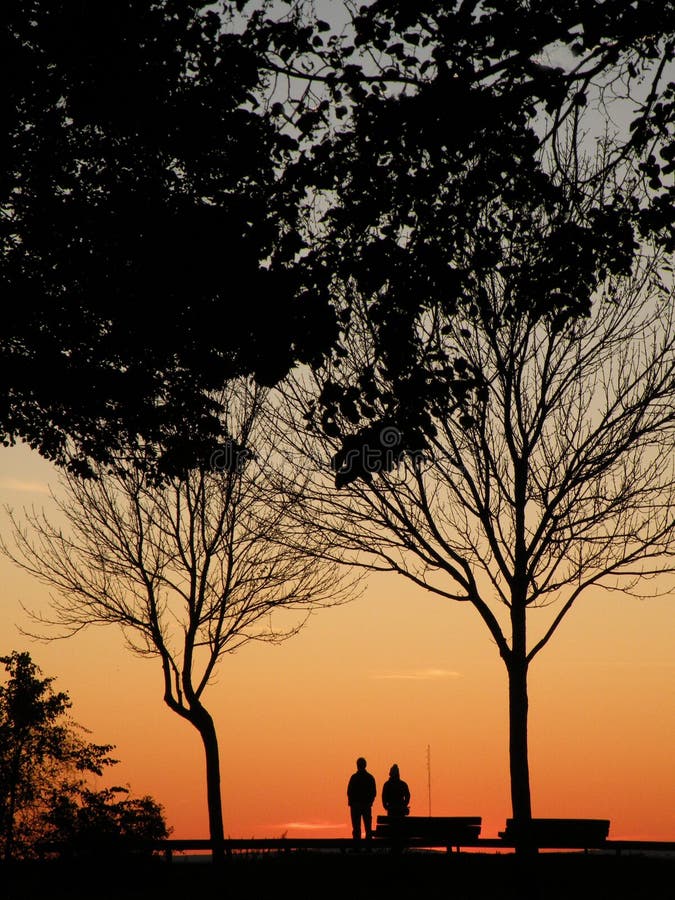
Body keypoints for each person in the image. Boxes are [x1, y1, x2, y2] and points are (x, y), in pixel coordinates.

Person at [347, 756, 377, 847]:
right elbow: (373, 792)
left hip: (356, 806)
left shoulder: (354, 777)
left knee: (356, 828)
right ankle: (368, 847)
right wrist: (370, 801)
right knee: (368, 828)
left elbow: (349, 791)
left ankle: (357, 847)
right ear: (365, 765)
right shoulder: (370, 778)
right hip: (366, 805)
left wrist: (351, 802)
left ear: (357, 765)